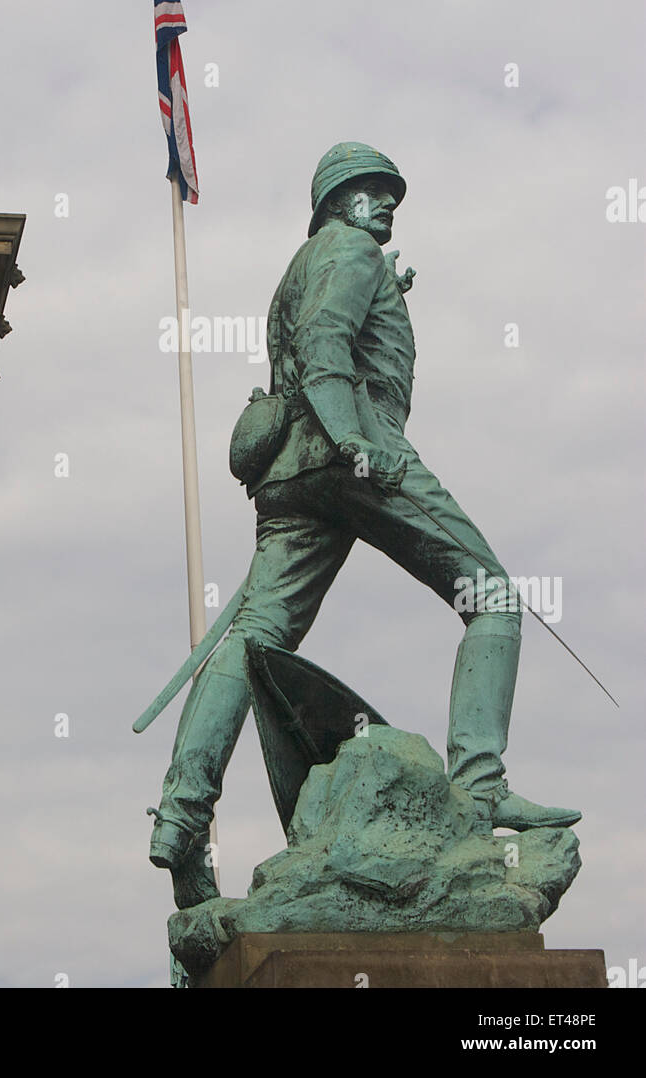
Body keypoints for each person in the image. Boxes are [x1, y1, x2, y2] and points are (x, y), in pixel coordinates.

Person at [148, 142, 580, 908]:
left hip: (290, 475)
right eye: (369, 193)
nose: (384, 205)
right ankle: (481, 791)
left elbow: (318, 331)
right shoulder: (348, 250)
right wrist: (353, 440)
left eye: (389, 196)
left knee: (256, 633)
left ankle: (183, 813)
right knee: (494, 598)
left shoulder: (313, 260)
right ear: (334, 204)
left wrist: (389, 293)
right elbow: (324, 345)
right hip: (352, 452)